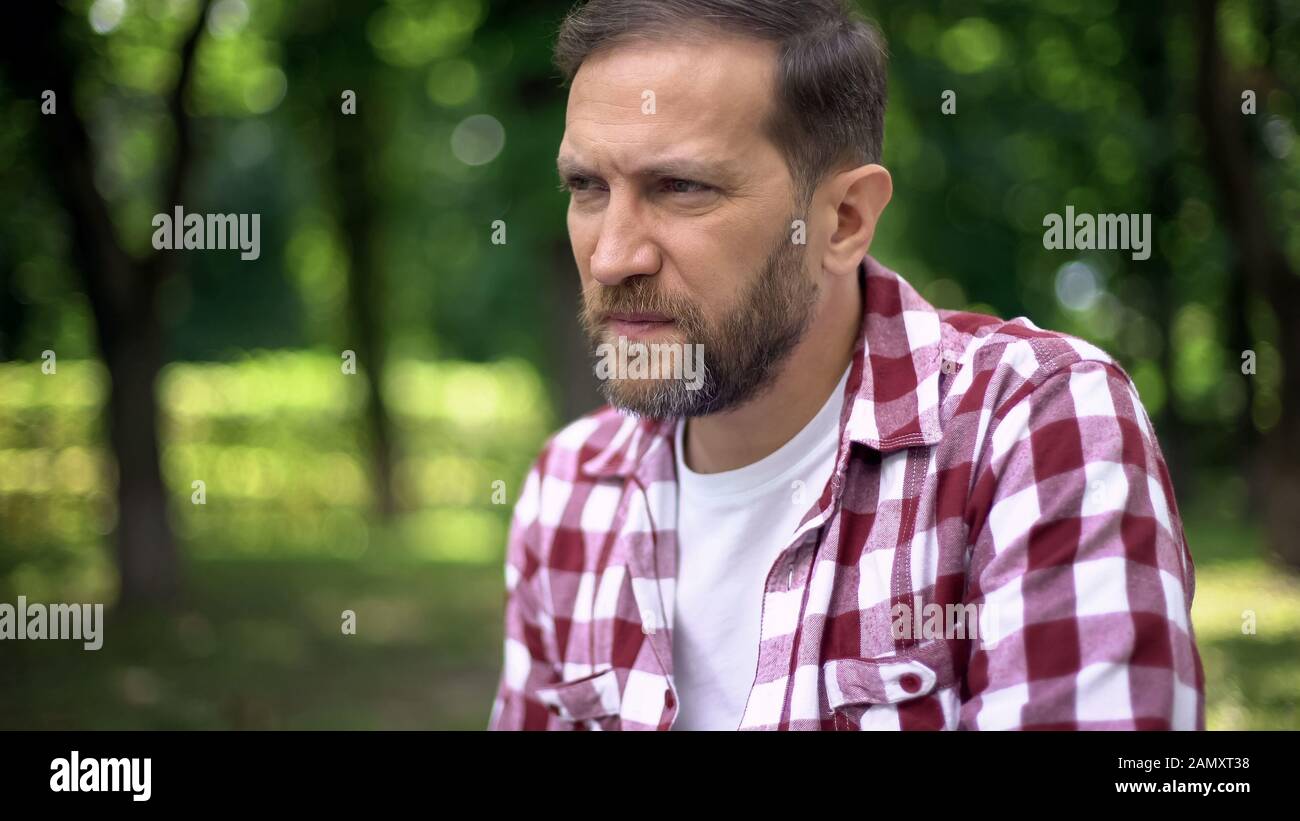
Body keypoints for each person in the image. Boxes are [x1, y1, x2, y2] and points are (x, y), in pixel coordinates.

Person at [487, 0, 1204, 730]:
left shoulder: (1032, 429)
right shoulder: (570, 490)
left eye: (681, 187)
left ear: (844, 220)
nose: (610, 256)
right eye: (587, 188)